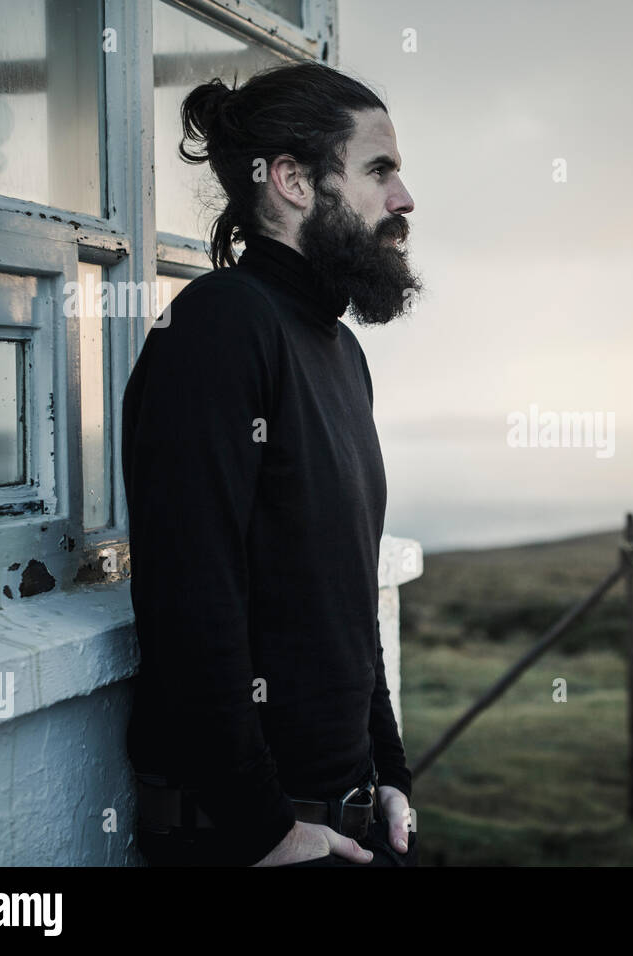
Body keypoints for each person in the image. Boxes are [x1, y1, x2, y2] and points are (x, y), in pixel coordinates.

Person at [121, 61, 424, 867]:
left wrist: (388, 775)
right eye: (380, 170)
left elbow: (347, 598)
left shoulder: (339, 350)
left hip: (347, 825)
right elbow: (189, 596)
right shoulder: (218, 325)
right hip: (249, 845)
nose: (403, 200)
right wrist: (265, 829)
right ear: (291, 179)